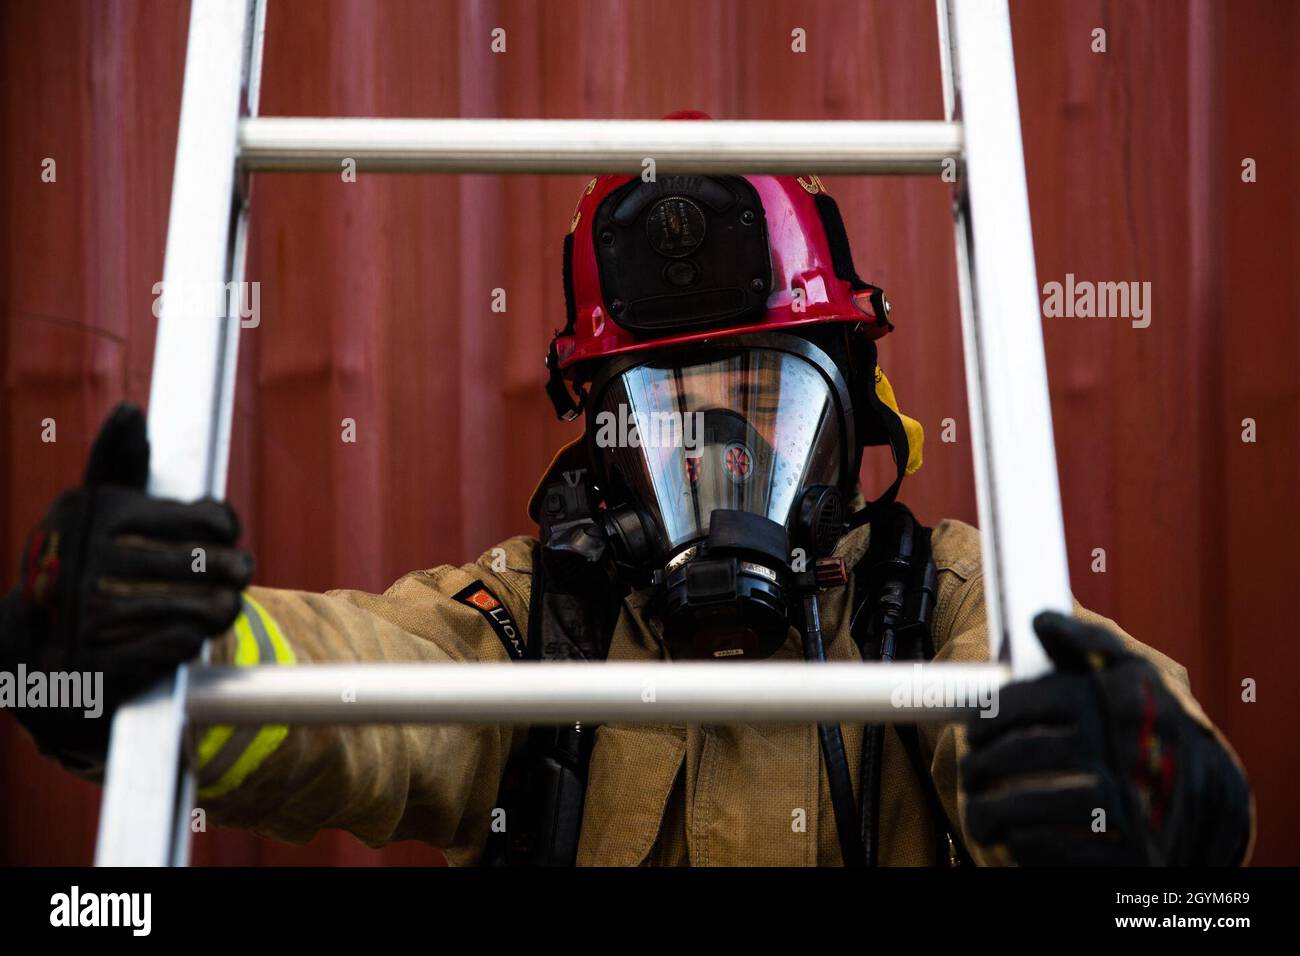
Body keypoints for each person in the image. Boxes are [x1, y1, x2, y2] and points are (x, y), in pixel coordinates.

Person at [0, 161, 1253, 867]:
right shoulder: (536, 618)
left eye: (761, 401)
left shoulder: (942, 600)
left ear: (851, 420)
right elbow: (369, 692)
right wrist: (164, 650)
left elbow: (1088, 720)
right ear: (603, 439)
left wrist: (1156, 802)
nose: (715, 451)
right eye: (669, 411)